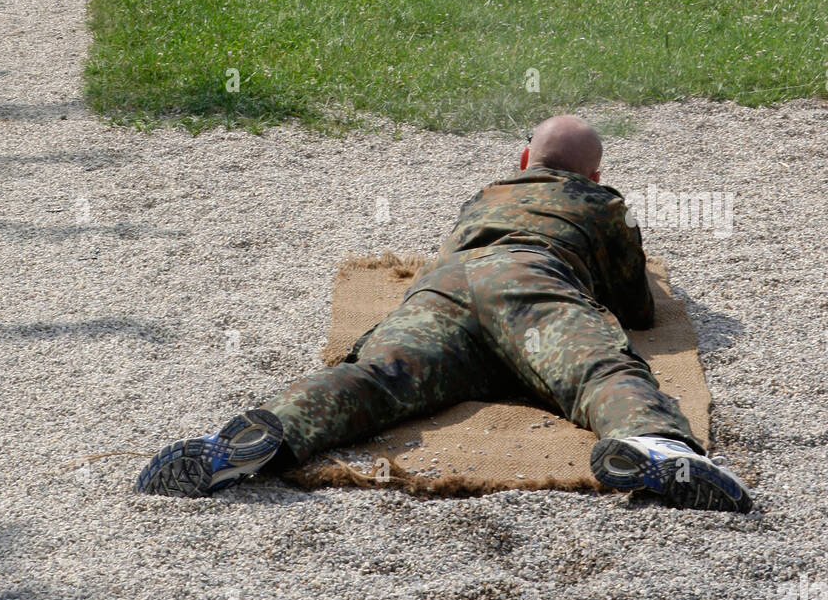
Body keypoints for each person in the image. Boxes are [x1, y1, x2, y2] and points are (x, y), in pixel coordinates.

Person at [137, 115, 752, 512]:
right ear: (594, 173)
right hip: (530, 286)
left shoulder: (482, 197)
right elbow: (638, 308)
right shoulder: (599, 200)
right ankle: (653, 445)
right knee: (599, 371)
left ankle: (252, 441)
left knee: (375, 376)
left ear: (522, 160)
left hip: (445, 290)